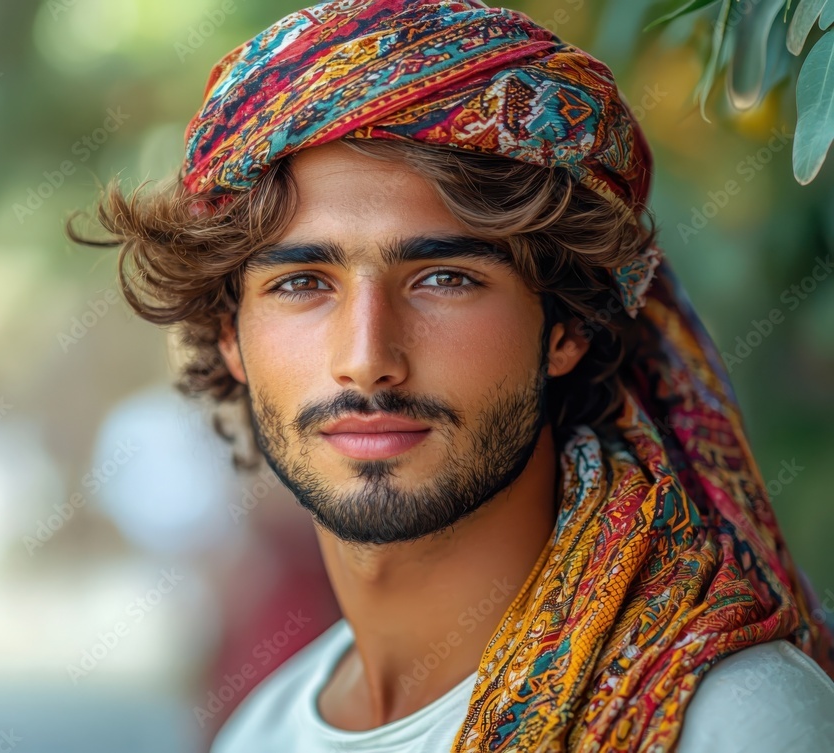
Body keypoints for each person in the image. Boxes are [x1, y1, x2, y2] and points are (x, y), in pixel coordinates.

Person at [69, 1, 834, 750]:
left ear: (568, 324)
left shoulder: (736, 721)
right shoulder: (259, 732)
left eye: (443, 278)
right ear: (229, 336)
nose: (368, 356)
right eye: (302, 283)